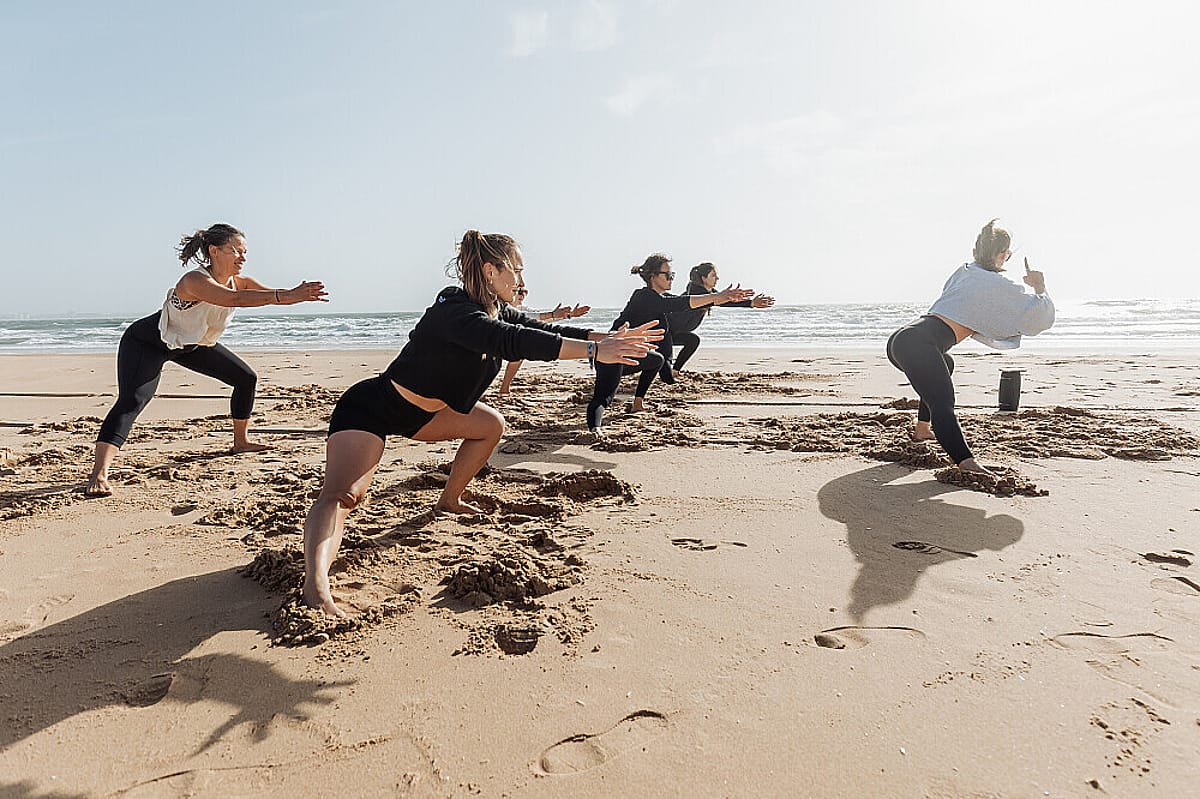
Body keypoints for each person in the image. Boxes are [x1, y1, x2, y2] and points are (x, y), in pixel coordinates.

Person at [302, 231, 660, 616]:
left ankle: (449, 498)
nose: (522, 280)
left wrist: (607, 338)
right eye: (517, 270)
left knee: (490, 425)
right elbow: (512, 341)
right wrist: (593, 352)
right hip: (371, 409)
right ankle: (316, 584)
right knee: (345, 496)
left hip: (427, 415)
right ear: (491, 271)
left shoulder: (493, 310)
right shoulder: (454, 310)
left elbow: (546, 332)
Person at [86, 223, 328, 497]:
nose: (243, 258)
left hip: (192, 344)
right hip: (148, 343)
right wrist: (286, 295)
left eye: (245, 252)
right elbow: (232, 299)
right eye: (236, 251)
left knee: (245, 378)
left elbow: (267, 297)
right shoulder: (195, 281)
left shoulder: (241, 281)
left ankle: (241, 442)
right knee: (133, 400)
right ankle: (99, 473)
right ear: (214, 251)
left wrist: (297, 295)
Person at [886, 220, 1054, 476]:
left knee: (944, 366)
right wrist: (1039, 286)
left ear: (976, 251)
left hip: (906, 338)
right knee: (943, 402)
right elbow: (1039, 317)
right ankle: (966, 463)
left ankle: (922, 429)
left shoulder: (965, 271)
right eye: (1006, 254)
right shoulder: (998, 285)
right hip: (917, 343)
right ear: (1002, 255)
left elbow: (959, 302)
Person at [585, 253, 754, 432]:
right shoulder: (643, 296)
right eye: (667, 275)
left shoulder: (660, 306)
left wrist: (727, 299)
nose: (671, 279)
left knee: (656, 359)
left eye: (672, 275)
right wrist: (718, 297)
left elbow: (681, 304)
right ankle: (595, 430)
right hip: (610, 354)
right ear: (653, 277)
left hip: (631, 357)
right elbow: (680, 303)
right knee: (603, 399)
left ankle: (637, 402)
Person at [662, 261, 775, 380]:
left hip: (676, 331)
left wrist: (750, 303)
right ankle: (667, 376)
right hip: (666, 330)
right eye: (713, 275)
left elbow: (724, 301)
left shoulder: (710, 293)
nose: (717, 278)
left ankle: (675, 371)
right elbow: (720, 300)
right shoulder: (696, 291)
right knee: (665, 360)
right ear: (703, 278)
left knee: (693, 340)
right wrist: (748, 302)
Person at [497, 279, 590, 395]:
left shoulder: (522, 309)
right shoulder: (502, 308)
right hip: (498, 340)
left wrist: (569, 315)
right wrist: (552, 314)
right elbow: (531, 317)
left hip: (510, 343)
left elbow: (541, 320)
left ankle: (504, 388)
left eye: (524, 293)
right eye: (518, 291)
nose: (521, 295)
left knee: (518, 355)